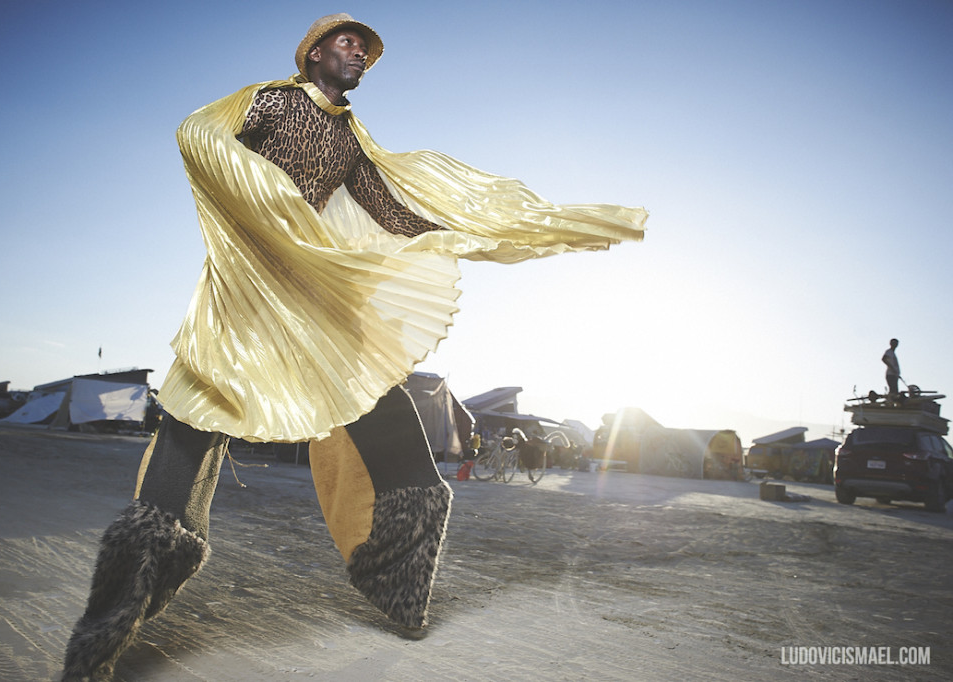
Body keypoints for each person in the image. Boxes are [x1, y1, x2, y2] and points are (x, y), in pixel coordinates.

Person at [61, 13, 647, 680]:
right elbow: (197, 133)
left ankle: (396, 572)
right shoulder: (272, 101)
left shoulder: (348, 139)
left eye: (365, 49)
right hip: (251, 286)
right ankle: (106, 631)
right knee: (198, 420)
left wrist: (476, 234)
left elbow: (390, 212)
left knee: (371, 392)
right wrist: (266, 201)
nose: (359, 54)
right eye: (347, 42)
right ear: (313, 53)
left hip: (313, 286)